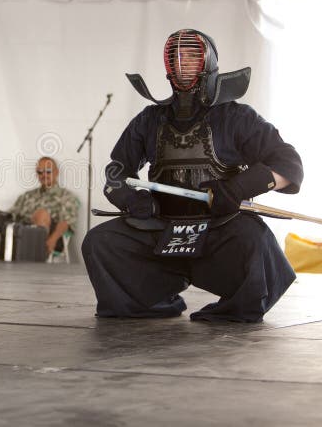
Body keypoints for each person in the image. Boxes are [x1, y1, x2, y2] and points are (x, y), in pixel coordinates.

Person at [81, 28, 303, 323]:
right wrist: (129, 198)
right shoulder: (149, 119)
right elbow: (116, 170)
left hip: (219, 230)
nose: (182, 64)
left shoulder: (237, 117)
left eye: (190, 56)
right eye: (175, 57)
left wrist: (237, 188)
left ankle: (236, 307)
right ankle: (148, 302)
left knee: (256, 241)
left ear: (208, 63)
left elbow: (289, 165)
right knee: (100, 242)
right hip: (161, 229)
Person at [10, 156, 79, 257]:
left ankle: (36, 254)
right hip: (22, 234)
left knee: (41, 214)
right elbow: (10, 215)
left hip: (51, 237)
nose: (44, 175)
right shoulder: (27, 195)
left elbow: (66, 223)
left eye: (48, 171)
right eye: (40, 172)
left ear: (56, 172)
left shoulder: (66, 196)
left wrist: (53, 239)